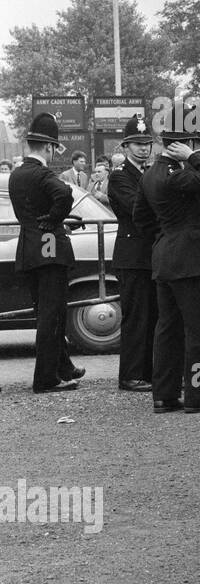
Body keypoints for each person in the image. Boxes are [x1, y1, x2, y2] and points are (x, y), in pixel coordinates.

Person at [133, 120, 200, 414]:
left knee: (167, 330)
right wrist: (191, 156)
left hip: (164, 257)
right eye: (192, 142)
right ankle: (198, 394)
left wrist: (166, 236)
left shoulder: (150, 175)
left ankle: (164, 395)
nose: (196, 147)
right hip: (190, 260)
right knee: (198, 333)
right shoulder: (178, 175)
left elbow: (141, 218)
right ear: (181, 143)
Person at [8, 112, 83, 392]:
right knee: (53, 316)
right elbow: (65, 195)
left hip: (29, 249)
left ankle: (63, 367)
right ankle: (45, 378)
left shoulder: (16, 175)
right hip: (50, 249)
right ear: (50, 147)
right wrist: (53, 219)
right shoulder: (42, 174)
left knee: (45, 313)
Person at [108, 115, 158, 391]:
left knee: (153, 316)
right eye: (137, 144)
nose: (143, 149)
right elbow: (135, 207)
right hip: (132, 254)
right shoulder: (119, 177)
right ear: (125, 147)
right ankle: (130, 375)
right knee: (136, 318)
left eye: (146, 143)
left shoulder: (148, 174)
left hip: (150, 254)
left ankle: (148, 372)